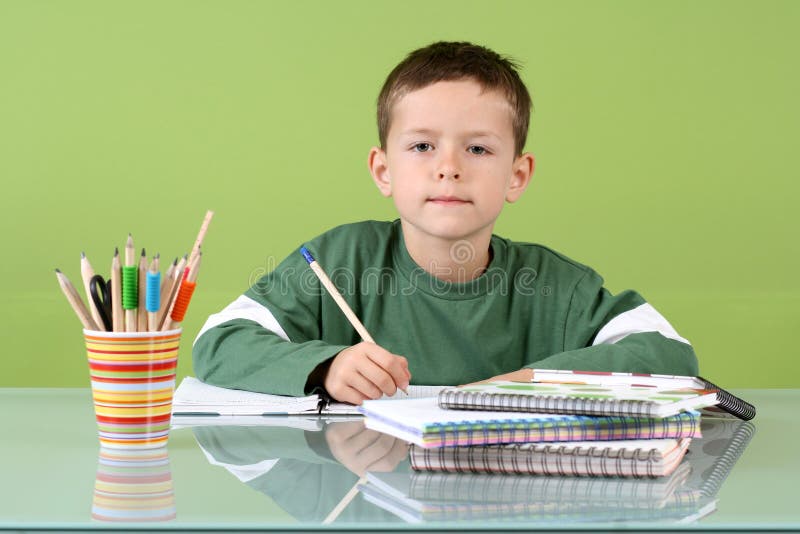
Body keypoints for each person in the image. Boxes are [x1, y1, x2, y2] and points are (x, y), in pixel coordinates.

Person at [193, 41, 698, 405]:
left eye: (478, 148)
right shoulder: (339, 261)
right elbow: (219, 341)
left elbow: (671, 356)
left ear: (517, 176)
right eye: (421, 146)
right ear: (383, 170)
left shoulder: (557, 288)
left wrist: (523, 382)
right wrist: (326, 367)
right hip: (366, 496)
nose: (449, 166)